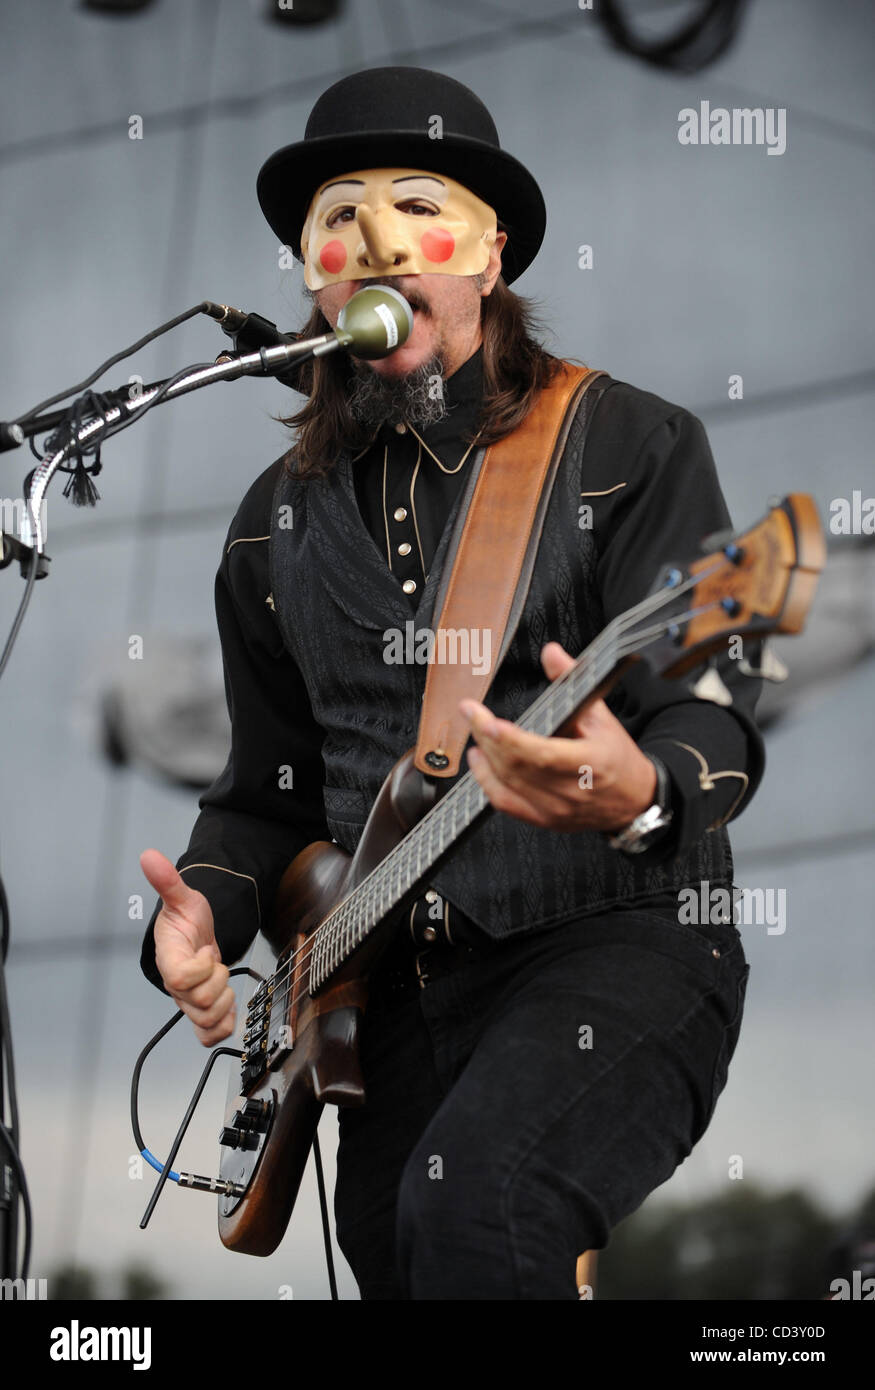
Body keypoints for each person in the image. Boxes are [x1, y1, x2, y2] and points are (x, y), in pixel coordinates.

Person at [139, 66, 765, 1300]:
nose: (373, 245)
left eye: (414, 208)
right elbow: (268, 795)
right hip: (393, 1004)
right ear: (311, 280)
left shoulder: (624, 444)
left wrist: (638, 790)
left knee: (482, 1204)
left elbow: (709, 705)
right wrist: (201, 918)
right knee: (418, 1260)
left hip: (613, 946)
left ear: (488, 257)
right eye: (337, 221)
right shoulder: (270, 529)